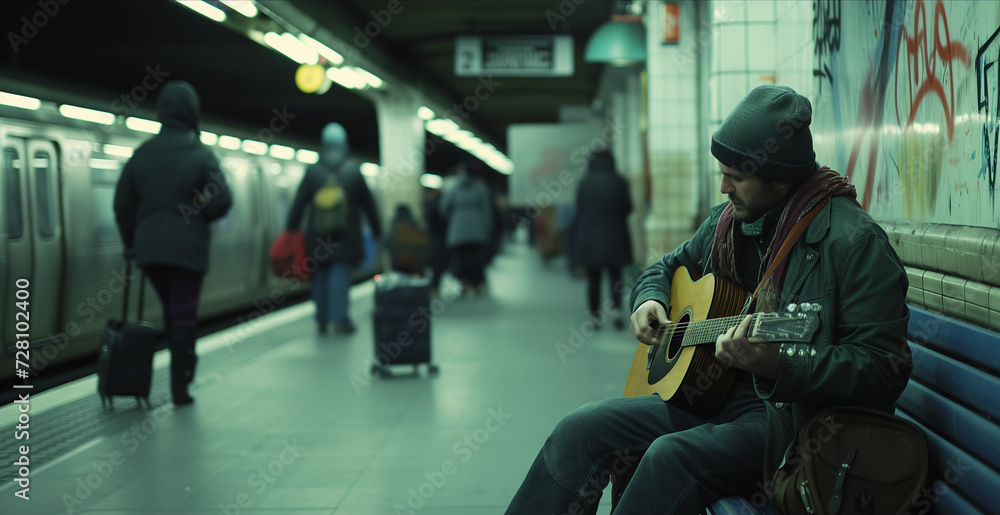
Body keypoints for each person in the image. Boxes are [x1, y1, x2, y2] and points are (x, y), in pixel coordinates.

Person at [505, 85, 912, 514]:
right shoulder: (728, 224)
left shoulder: (854, 243)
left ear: (778, 176)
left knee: (668, 458)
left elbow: (884, 370)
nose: (723, 188)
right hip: (710, 399)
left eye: (736, 177)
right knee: (581, 429)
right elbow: (664, 267)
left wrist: (778, 364)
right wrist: (649, 301)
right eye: (722, 173)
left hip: (790, 425)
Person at [114, 80, 233, 406]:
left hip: (150, 251)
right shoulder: (200, 154)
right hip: (187, 249)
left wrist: (131, 243)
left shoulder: (142, 154)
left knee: (172, 309)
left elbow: (122, 206)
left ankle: (175, 372)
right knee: (182, 313)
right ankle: (181, 385)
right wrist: (199, 214)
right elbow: (223, 201)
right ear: (191, 112)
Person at [286, 122, 381, 335]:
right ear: (344, 144)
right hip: (346, 236)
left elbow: (299, 203)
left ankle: (321, 319)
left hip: (317, 235)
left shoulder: (313, 171)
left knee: (319, 276)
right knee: (340, 276)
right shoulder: (354, 171)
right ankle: (340, 319)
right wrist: (376, 230)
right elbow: (369, 204)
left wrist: (290, 232)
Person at [571, 150, 633, 329]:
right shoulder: (619, 181)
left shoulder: (584, 183)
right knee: (615, 276)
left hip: (590, 239)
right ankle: (616, 314)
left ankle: (594, 318)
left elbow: (579, 210)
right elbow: (628, 208)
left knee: (593, 278)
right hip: (615, 237)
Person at [438, 161, 493, 294]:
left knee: (460, 257)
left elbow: (443, 207)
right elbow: (486, 209)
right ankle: (478, 283)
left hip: (457, 228)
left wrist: (453, 219)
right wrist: (487, 226)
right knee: (476, 256)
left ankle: (464, 282)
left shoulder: (453, 187)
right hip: (477, 227)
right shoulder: (480, 187)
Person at [384, 203, 430, 275]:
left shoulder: (393, 227)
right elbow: (425, 242)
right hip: (415, 261)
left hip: (398, 261)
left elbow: (387, 242)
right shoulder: (414, 225)